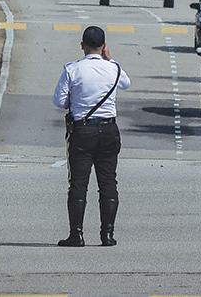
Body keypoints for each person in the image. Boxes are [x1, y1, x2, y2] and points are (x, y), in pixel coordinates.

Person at [53, 25, 131, 247]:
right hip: (109, 130)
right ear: (104, 46)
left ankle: (76, 234)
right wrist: (111, 59)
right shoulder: (113, 68)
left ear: (82, 46)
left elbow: (59, 101)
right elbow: (126, 83)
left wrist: (75, 102)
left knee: (78, 183)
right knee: (108, 182)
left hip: (83, 130)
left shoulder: (72, 69)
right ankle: (107, 234)